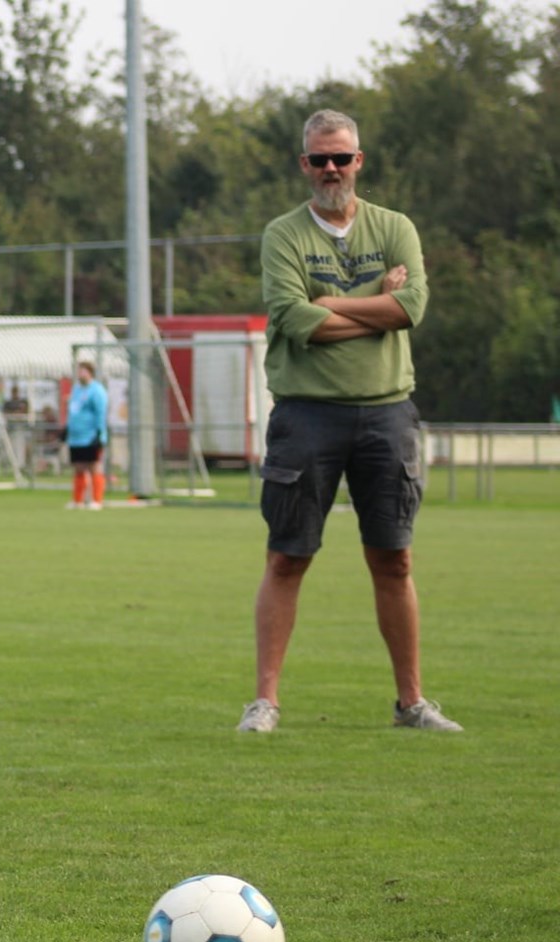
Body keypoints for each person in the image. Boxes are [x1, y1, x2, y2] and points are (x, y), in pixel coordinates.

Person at [238, 109, 460, 734]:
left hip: (387, 412)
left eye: (341, 157)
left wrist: (329, 302)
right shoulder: (283, 235)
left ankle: (411, 704)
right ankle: (265, 703)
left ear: (360, 160)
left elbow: (411, 306)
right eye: (319, 158)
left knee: (394, 559)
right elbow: (291, 317)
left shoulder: (395, 228)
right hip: (307, 415)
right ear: (302, 164)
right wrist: (370, 306)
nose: (330, 168)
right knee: (287, 557)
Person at [64, 360, 108, 510]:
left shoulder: (97, 390)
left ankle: (97, 500)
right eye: (79, 370)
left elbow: (100, 413)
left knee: (94, 466)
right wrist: (67, 428)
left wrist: (99, 433)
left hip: (90, 436)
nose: (80, 373)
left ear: (90, 372)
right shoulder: (76, 389)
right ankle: (78, 500)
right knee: (78, 467)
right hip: (76, 437)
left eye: (83, 370)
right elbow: (73, 411)